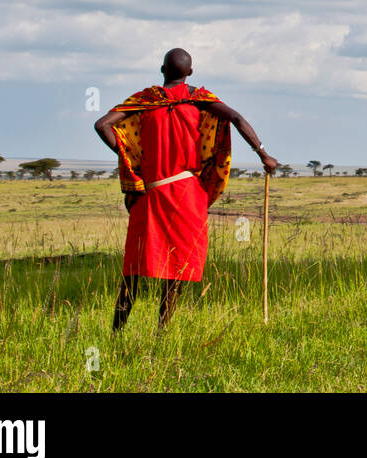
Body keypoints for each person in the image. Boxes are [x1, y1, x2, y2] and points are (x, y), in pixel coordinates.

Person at [94, 48, 278, 330]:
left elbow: (102, 124)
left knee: (134, 268)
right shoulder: (201, 101)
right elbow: (238, 120)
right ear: (190, 73)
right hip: (187, 194)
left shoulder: (145, 101)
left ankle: (116, 333)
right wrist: (263, 154)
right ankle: (163, 331)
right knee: (178, 267)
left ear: (161, 69)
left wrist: (128, 156)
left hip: (151, 193)